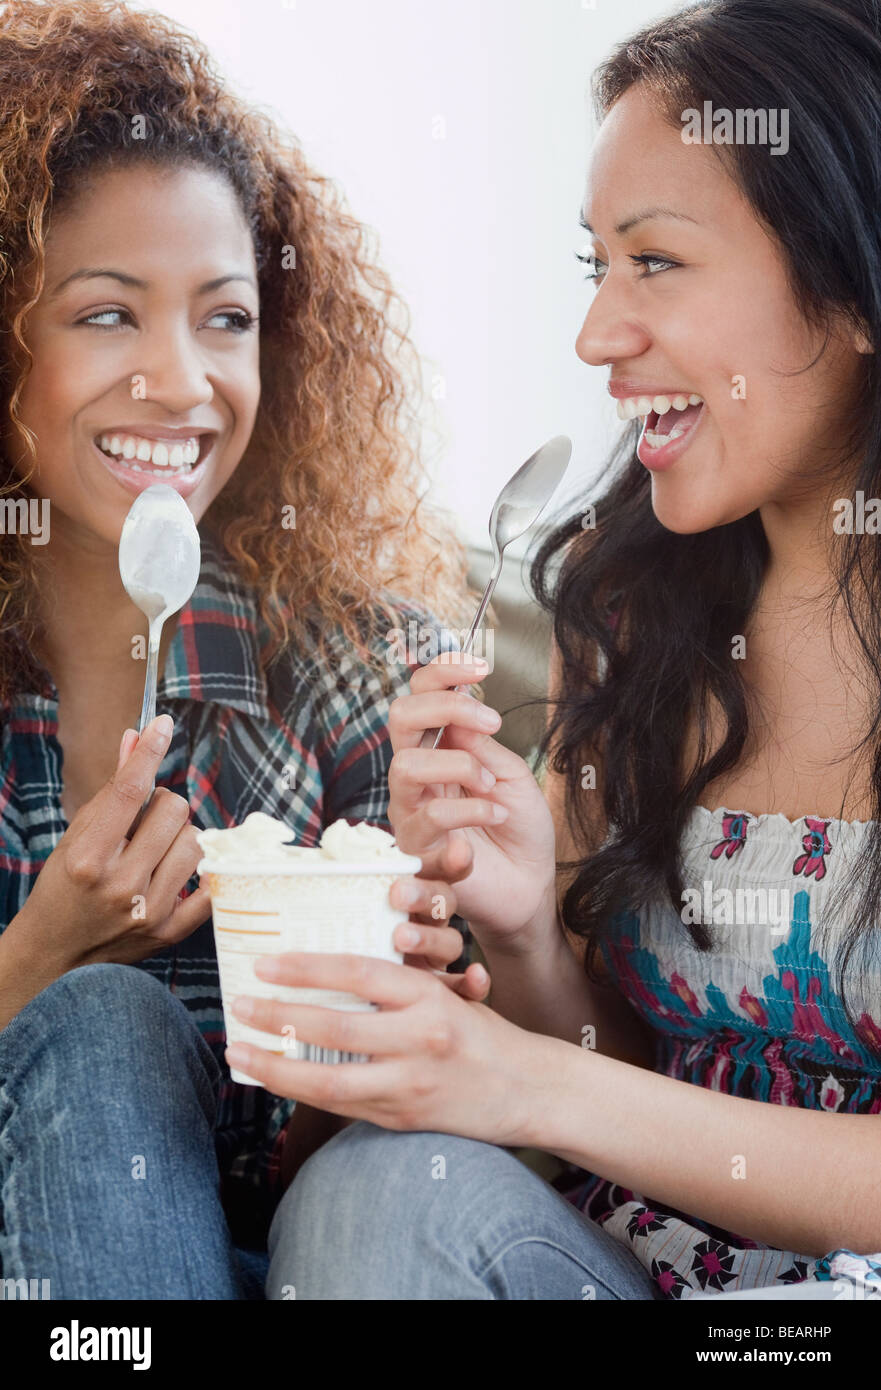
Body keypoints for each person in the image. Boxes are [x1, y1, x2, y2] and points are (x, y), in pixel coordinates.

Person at [237, 0, 881, 1300]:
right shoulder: (638, 616)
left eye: (655, 262)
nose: (595, 337)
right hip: (632, 1274)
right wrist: (524, 927)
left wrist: (529, 1075)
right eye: (598, 268)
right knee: (377, 1188)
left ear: (849, 284)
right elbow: (618, 1074)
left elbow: (570, 1086)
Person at [0, 0, 484, 1300]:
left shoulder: (363, 673)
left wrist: (383, 1030)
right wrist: (41, 953)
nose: (181, 379)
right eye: (107, 315)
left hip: (274, 1263)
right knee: (93, 1016)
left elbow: (339, 1191)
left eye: (224, 318)